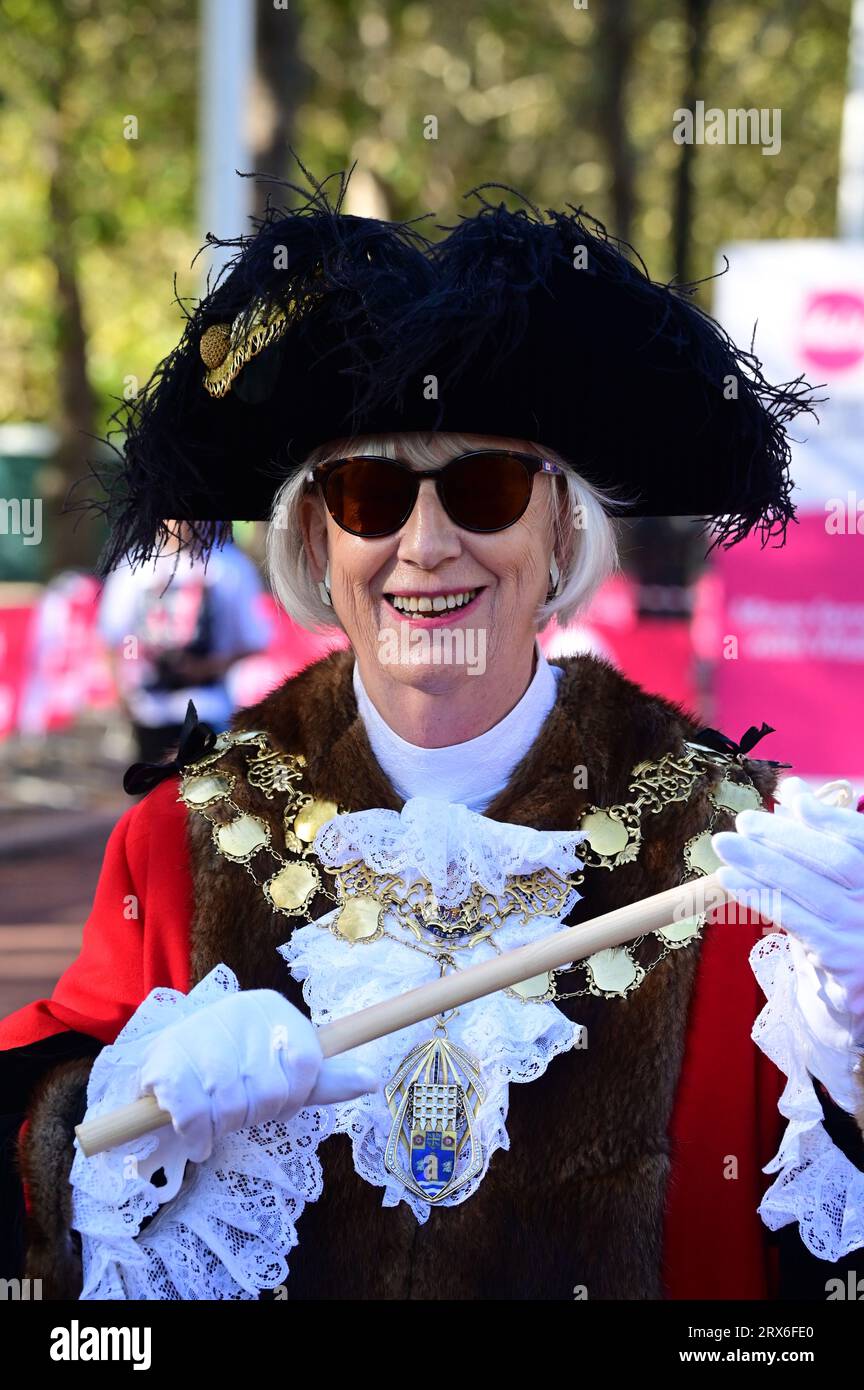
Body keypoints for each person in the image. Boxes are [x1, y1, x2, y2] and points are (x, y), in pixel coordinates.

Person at [1, 163, 862, 1302]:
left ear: (560, 529)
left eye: (487, 488)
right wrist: (107, 1112)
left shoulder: (733, 853)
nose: (426, 543)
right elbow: (31, 1193)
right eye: (369, 496)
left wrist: (856, 1061)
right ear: (317, 542)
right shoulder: (180, 842)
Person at [98, 522, 272, 765]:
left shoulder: (230, 566)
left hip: (208, 711)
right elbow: (113, 638)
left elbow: (255, 641)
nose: (181, 524)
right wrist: (122, 694)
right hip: (149, 712)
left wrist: (206, 667)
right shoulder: (134, 565)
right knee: (154, 796)